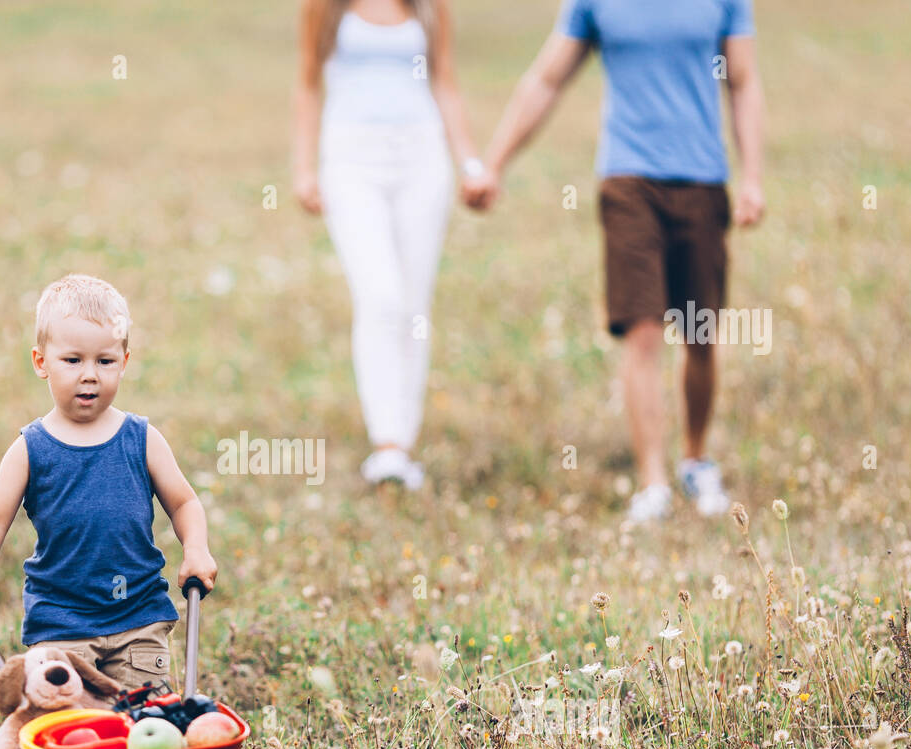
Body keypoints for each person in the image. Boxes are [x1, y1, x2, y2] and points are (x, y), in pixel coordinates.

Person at [0, 274, 218, 749]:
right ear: (41, 362)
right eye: (72, 360)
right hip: (62, 617)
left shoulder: (141, 438)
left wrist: (196, 548)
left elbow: (184, 501)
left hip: (139, 613)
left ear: (124, 359)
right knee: (59, 718)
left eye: (105, 361)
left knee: (140, 716)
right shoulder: (32, 448)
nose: (89, 374)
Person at [479, 0, 766, 522]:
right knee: (642, 330)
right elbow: (546, 80)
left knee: (699, 334)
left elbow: (741, 81)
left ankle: (695, 459)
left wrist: (752, 178)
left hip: (702, 180)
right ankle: (652, 482)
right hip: (628, 180)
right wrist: (494, 163)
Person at [293, 0, 490, 490]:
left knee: (413, 305)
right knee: (381, 296)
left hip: (422, 159)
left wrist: (469, 162)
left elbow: (445, 80)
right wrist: (303, 168)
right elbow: (308, 80)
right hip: (351, 160)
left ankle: (400, 445)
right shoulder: (327, 6)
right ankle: (385, 440)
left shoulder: (428, 6)